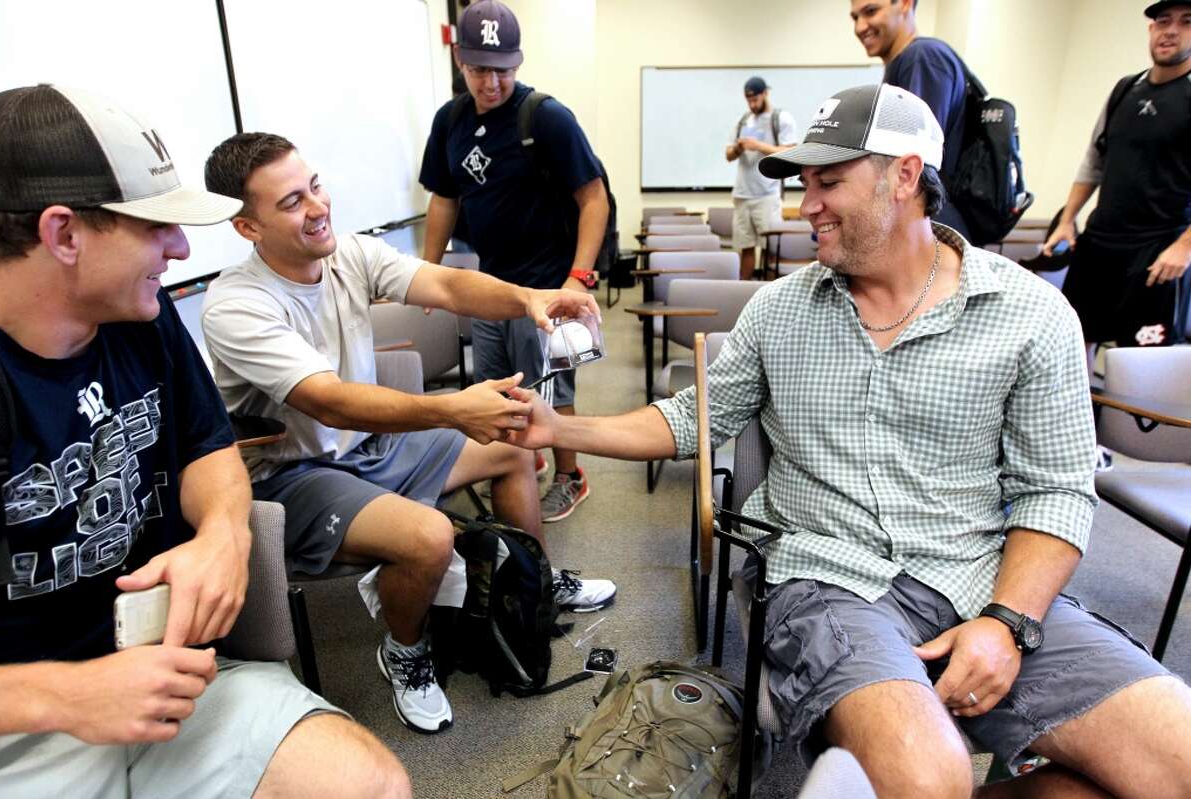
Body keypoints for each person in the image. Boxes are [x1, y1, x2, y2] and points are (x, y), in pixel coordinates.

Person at [507, 84, 1191, 799]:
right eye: (805, 185)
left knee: (1176, 759)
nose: (809, 206)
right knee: (927, 776)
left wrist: (1007, 622)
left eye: (830, 181)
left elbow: (1054, 489)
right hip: (828, 577)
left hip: (981, 577)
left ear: (905, 176)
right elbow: (688, 419)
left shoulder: (1031, 316)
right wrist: (557, 428)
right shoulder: (781, 310)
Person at [0, 85, 408, 797]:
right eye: (156, 227)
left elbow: (211, 449)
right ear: (63, 234)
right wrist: (68, 696)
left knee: (369, 782)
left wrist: (221, 533)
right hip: (19, 727)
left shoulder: (140, 316)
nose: (181, 248)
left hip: (170, 677)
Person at [201, 132, 616, 735]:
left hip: (371, 446)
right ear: (247, 227)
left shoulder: (347, 255)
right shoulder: (235, 305)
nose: (317, 208)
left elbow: (446, 285)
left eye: (315, 186)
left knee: (512, 440)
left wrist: (530, 296)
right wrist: (452, 411)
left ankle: (535, 587)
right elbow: (330, 402)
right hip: (296, 475)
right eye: (291, 202)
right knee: (427, 538)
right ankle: (405, 652)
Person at [419, 0, 609, 524]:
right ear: (461, 60)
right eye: (480, 69)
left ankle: (571, 476)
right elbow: (444, 199)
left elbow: (593, 198)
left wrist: (578, 277)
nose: (491, 83)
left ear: (518, 64)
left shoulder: (545, 117)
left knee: (554, 388)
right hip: (490, 284)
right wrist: (427, 274)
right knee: (499, 386)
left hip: (548, 285)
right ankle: (519, 464)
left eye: (502, 71)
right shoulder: (450, 120)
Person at [1044, 1, 1191, 361]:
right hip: (1100, 242)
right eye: (1162, 21)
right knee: (1075, 345)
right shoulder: (1125, 90)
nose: (1171, 30)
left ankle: (1123, 419)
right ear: (1151, 29)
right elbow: (1094, 161)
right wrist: (1066, 221)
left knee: (1137, 361)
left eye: (1186, 22)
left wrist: (1185, 247)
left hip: (1158, 251)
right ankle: (1081, 418)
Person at [850, 0, 973, 240]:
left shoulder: (922, 58)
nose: (860, 27)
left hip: (932, 224)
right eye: (855, 18)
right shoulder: (905, 63)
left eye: (871, 11)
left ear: (905, 4)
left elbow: (912, 159)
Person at [724, 76, 797, 280]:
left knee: (770, 249)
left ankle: (770, 296)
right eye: (748, 100)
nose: (752, 104)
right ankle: (744, 295)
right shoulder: (743, 120)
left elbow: (789, 152)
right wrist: (739, 147)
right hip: (742, 195)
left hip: (767, 195)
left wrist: (758, 146)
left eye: (755, 99)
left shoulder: (780, 118)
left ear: (765, 93)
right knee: (745, 248)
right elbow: (728, 155)